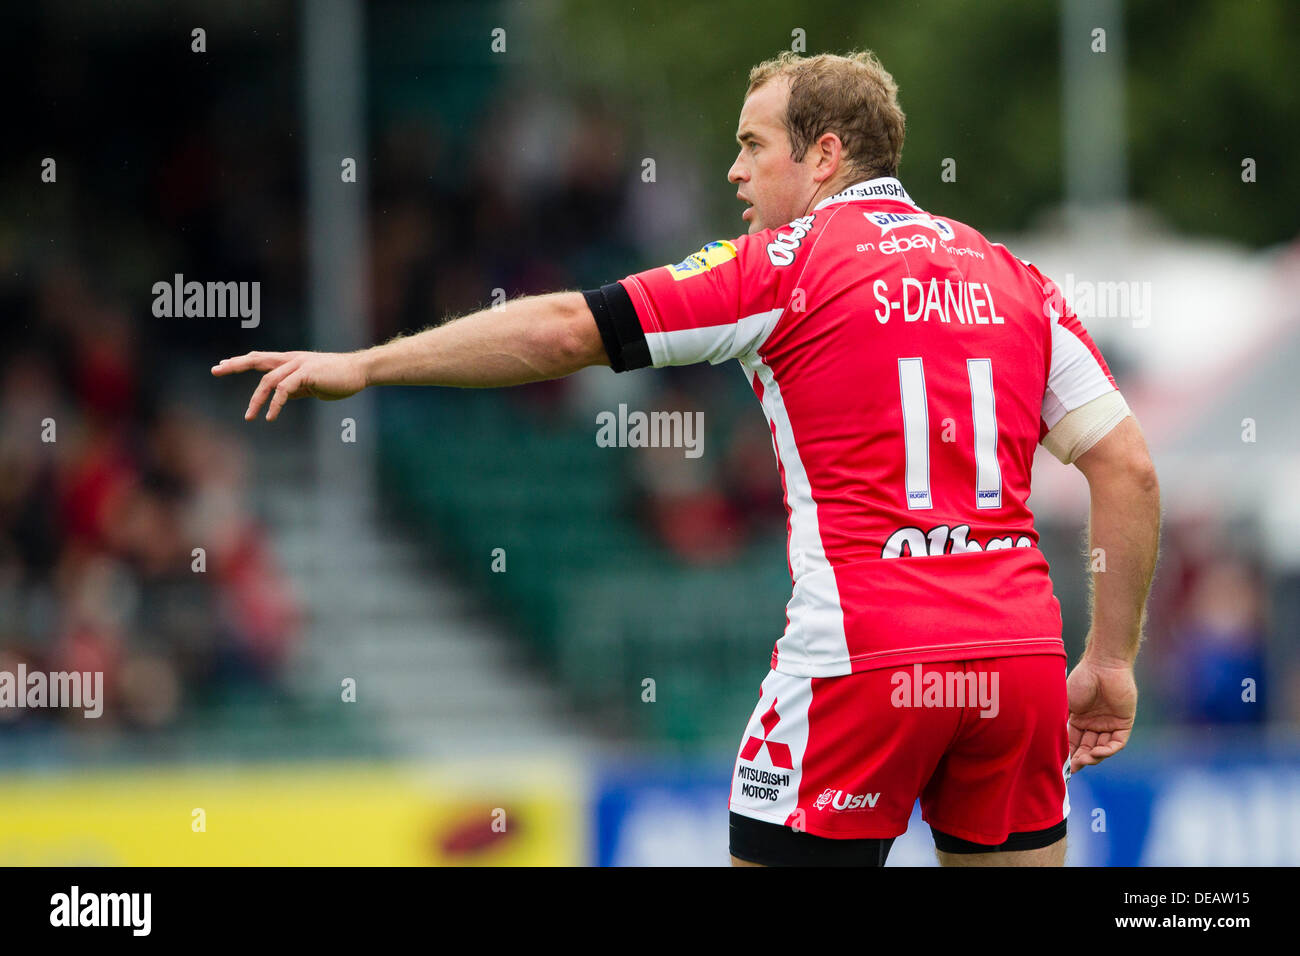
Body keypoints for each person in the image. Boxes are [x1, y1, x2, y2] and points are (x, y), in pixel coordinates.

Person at [213, 50, 1161, 867]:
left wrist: (370, 363)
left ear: (825, 155)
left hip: (863, 660)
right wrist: (1110, 661)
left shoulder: (787, 264)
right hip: (1019, 660)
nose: (736, 174)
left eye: (754, 146)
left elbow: (560, 329)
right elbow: (1127, 467)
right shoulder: (1014, 277)